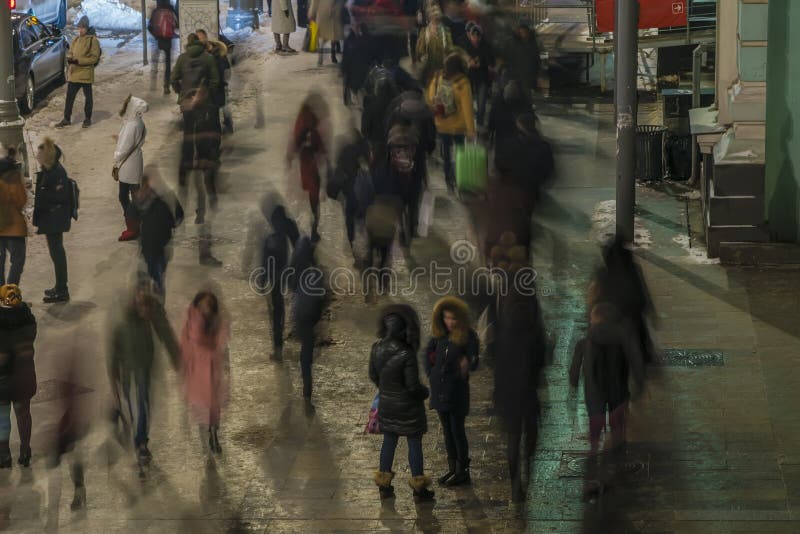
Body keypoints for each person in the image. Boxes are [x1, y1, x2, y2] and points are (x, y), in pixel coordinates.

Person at [569, 302, 645, 496]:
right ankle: (614, 466)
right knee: (617, 430)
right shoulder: (623, 339)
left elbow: (574, 369)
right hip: (618, 394)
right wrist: (638, 385)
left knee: (595, 431)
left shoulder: (585, 342)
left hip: (594, 395)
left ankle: (594, 465)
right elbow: (636, 361)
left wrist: (574, 382)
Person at [107, 278, 180, 463]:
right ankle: (135, 437)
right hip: (127, 371)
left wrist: (176, 357)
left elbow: (165, 332)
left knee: (143, 404)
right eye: (142, 305)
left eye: (148, 306)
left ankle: (141, 443)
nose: (147, 311)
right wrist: (113, 377)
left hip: (144, 366)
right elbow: (113, 350)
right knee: (134, 406)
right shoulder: (122, 318)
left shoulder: (153, 307)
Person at [369, 304, 435, 503]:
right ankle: (419, 488)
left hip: (387, 405)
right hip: (409, 409)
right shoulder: (407, 354)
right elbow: (413, 387)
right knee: (414, 443)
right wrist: (427, 392)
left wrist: (387, 389)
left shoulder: (376, 348)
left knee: (389, 441)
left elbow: (373, 375)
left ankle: (384, 484)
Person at [493, 288, 547, 503]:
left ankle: (515, 483)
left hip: (508, 396)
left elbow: (497, 368)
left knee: (513, 438)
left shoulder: (503, 337)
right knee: (531, 433)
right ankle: (528, 464)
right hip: (527, 394)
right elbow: (541, 363)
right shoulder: (534, 337)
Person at [424, 296, 479, 487]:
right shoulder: (439, 337)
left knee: (457, 430)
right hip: (439, 392)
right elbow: (427, 356)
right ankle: (452, 467)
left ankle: (462, 471)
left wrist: (466, 364)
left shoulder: (468, 337)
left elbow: (474, 359)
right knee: (447, 431)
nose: (450, 322)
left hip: (456, 393)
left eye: (453, 318)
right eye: (446, 318)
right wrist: (431, 373)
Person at [170, 33, 220, 224]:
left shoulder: (183, 58)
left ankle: (185, 189)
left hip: (187, 107)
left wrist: (182, 95)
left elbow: (173, 79)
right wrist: (207, 96)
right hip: (204, 107)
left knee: (188, 140)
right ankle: (209, 192)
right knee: (204, 147)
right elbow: (215, 82)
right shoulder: (208, 58)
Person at [180, 291, 229, 454]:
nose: (205, 308)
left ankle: (213, 432)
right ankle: (208, 431)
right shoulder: (192, 321)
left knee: (214, 404)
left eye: (208, 305)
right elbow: (186, 342)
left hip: (213, 367)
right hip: (198, 369)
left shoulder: (217, 321)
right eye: (202, 304)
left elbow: (222, 343)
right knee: (204, 403)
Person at [425, 53, 475, 192]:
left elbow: (429, 99)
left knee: (446, 154)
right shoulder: (463, 82)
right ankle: (460, 180)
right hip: (458, 126)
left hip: (442, 124)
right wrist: (471, 130)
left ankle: (449, 180)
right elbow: (467, 108)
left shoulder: (437, 78)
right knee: (460, 152)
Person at [131, 167, 184, 295]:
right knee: (144, 283)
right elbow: (132, 217)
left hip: (161, 249)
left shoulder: (167, 197)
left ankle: (159, 307)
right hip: (146, 249)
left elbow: (179, 215)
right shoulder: (140, 201)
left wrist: (168, 229)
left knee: (158, 282)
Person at [32, 138, 72, 304]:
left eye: (39, 153)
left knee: (58, 254)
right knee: (56, 253)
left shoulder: (57, 173)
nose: (37, 155)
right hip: (51, 219)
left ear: (48, 156)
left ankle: (62, 290)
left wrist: (42, 192)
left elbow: (60, 197)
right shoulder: (49, 170)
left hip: (55, 219)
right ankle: (60, 286)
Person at [0, 284, 36, 468]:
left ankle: (4, 455)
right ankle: (25, 451)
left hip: (4, 379)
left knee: (3, 415)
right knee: (23, 413)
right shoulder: (28, 319)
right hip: (24, 376)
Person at [287, 93, 329, 242]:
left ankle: (312, 225)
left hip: (306, 163)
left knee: (310, 194)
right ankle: (314, 226)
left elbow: (296, 140)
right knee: (313, 195)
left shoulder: (302, 120)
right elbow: (318, 142)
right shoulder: (311, 120)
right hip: (311, 163)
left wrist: (290, 157)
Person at [289, 236, 326, 399]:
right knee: (308, 348)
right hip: (312, 314)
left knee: (306, 347)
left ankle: (306, 379)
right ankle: (307, 380)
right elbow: (323, 296)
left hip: (300, 314)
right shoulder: (317, 272)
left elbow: (292, 289)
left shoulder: (295, 270)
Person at [113, 95, 149, 242]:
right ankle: (138, 224)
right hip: (135, 162)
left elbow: (125, 147)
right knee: (135, 195)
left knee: (124, 196)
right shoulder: (139, 122)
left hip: (128, 165)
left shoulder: (131, 125)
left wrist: (116, 158)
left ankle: (133, 227)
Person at [56, 16, 100, 129]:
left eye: (82, 28)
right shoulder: (76, 39)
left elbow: (94, 58)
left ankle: (87, 118)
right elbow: (71, 52)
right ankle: (66, 118)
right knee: (69, 97)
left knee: (88, 98)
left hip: (85, 73)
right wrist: (70, 58)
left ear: (86, 28)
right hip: (74, 73)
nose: (79, 30)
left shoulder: (93, 40)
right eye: (79, 28)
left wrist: (79, 61)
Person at [0, 145, 27, 287]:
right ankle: (11, 289)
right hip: (14, 228)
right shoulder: (13, 179)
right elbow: (21, 200)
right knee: (17, 260)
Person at [458, 22, 494, 127]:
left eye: (478, 36)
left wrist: (481, 62)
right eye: (473, 36)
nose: (475, 39)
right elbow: (459, 57)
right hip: (468, 77)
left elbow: (491, 61)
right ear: (470, 35)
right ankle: (466, 123)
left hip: (482, 78)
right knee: (466, 102)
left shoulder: (486, 46)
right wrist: (469, 62)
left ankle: (479, 124)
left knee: (481, 104)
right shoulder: (464, 44)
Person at [415, 5, 453, 87]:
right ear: (429, 16)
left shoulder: (446, 31)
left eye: (437, 11)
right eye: (433, 11)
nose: (436, 13)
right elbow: (419, 52)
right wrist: (422, 57)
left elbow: (451, 50)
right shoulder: (424, 32)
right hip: (429, 73)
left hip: (443, 73)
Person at [148, 0, 178, 95]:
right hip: (168, 40)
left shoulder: (156, 10)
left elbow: (149, 27)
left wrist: (156, 35)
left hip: (158, 40)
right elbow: (177, 24)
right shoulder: (171, 9)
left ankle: (153, 82)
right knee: (167, 63)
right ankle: (166, 86)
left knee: (155, 61)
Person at [308, 0, 345, 65]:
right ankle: (332, 55)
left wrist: (311, 14)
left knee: (325, 38)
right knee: (333, 35)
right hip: (333, 14)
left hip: (324, 14)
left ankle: (321, 57)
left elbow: (315, 3)